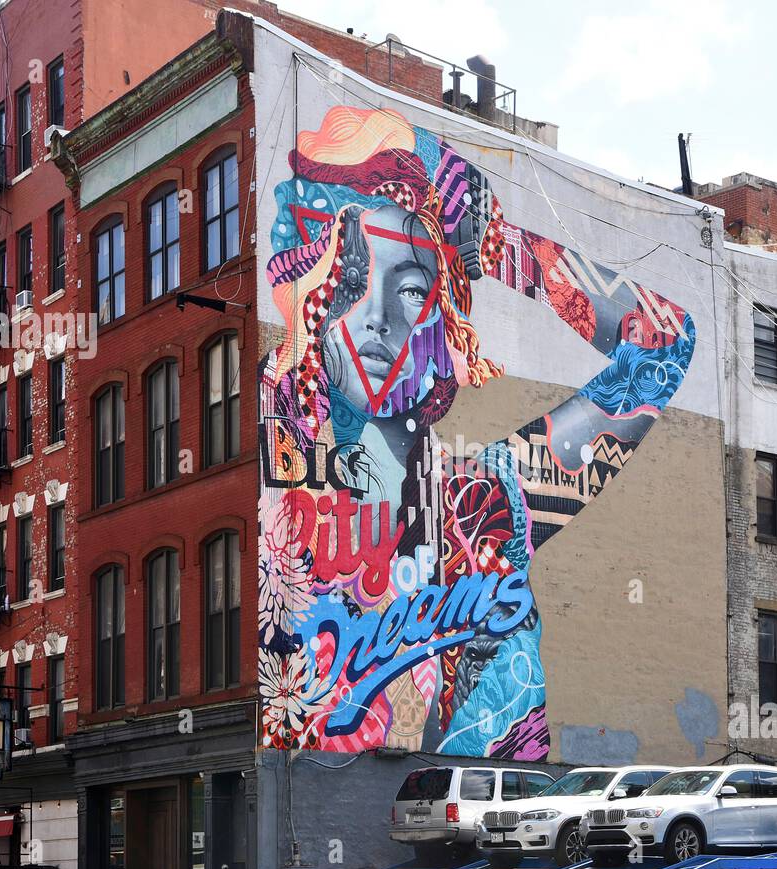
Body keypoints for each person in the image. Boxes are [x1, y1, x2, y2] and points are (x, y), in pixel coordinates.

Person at [259, 104, 695, 760]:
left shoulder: (492, 501)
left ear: (448, 333)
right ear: (320, 307)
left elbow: (660, 339)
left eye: (410, 290)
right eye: (351, 280)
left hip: (505, 829)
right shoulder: (290, 498)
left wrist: (490, 243)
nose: (375, 318)